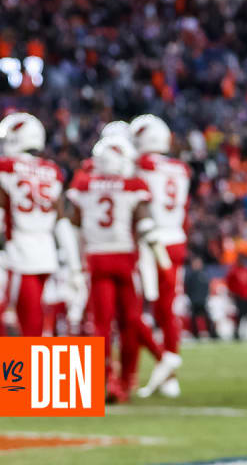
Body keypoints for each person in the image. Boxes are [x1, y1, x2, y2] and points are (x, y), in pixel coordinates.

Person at [66, 135, 167, 404]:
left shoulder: (85, 184)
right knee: (129, 323)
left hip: (97, 260)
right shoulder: (132, 185)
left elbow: (72, 226)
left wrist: (74, 263)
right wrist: (162, 261)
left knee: (100, 325)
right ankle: (127, 380)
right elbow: (146, 227)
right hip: (124, 260)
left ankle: (105, 379)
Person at [0, 112, 77, 338]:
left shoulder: (5, 168)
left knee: (17, 326)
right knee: (40, 324)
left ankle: (22, 372)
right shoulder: (51, 170)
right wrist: (74, 265)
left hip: (20, 256)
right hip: (48, 256)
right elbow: (61, 222)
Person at [131, 115, 192, 399]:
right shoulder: (180, 169)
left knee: (137, 307)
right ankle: (168, 370)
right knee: (167, 309)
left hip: (149, 241)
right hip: (176, 238)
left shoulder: (141, 165)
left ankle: (164, 365)